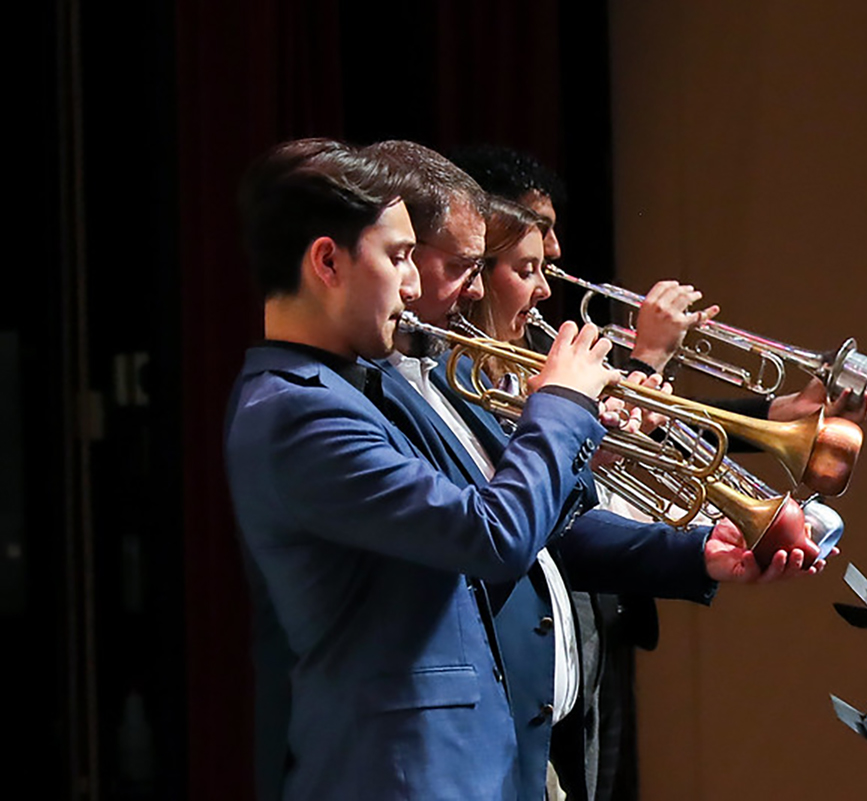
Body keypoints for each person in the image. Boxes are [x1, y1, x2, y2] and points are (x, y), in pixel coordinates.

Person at [363, 140, 827, 801]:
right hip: (456, 746)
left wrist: (702, 554)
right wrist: (585, 403)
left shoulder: (443, 373)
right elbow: (493, 533)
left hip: (539, 717)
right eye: (462, 265)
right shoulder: (364, 397)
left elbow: (560, 526)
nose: (546, 283)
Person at [226, 137, 626, 800]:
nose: (414, 285)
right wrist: (558, 405)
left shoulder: (353, 388)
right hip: (405, 775)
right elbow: (491, 537)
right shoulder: (297, 413)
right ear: (327, 260)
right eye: (399, 257)